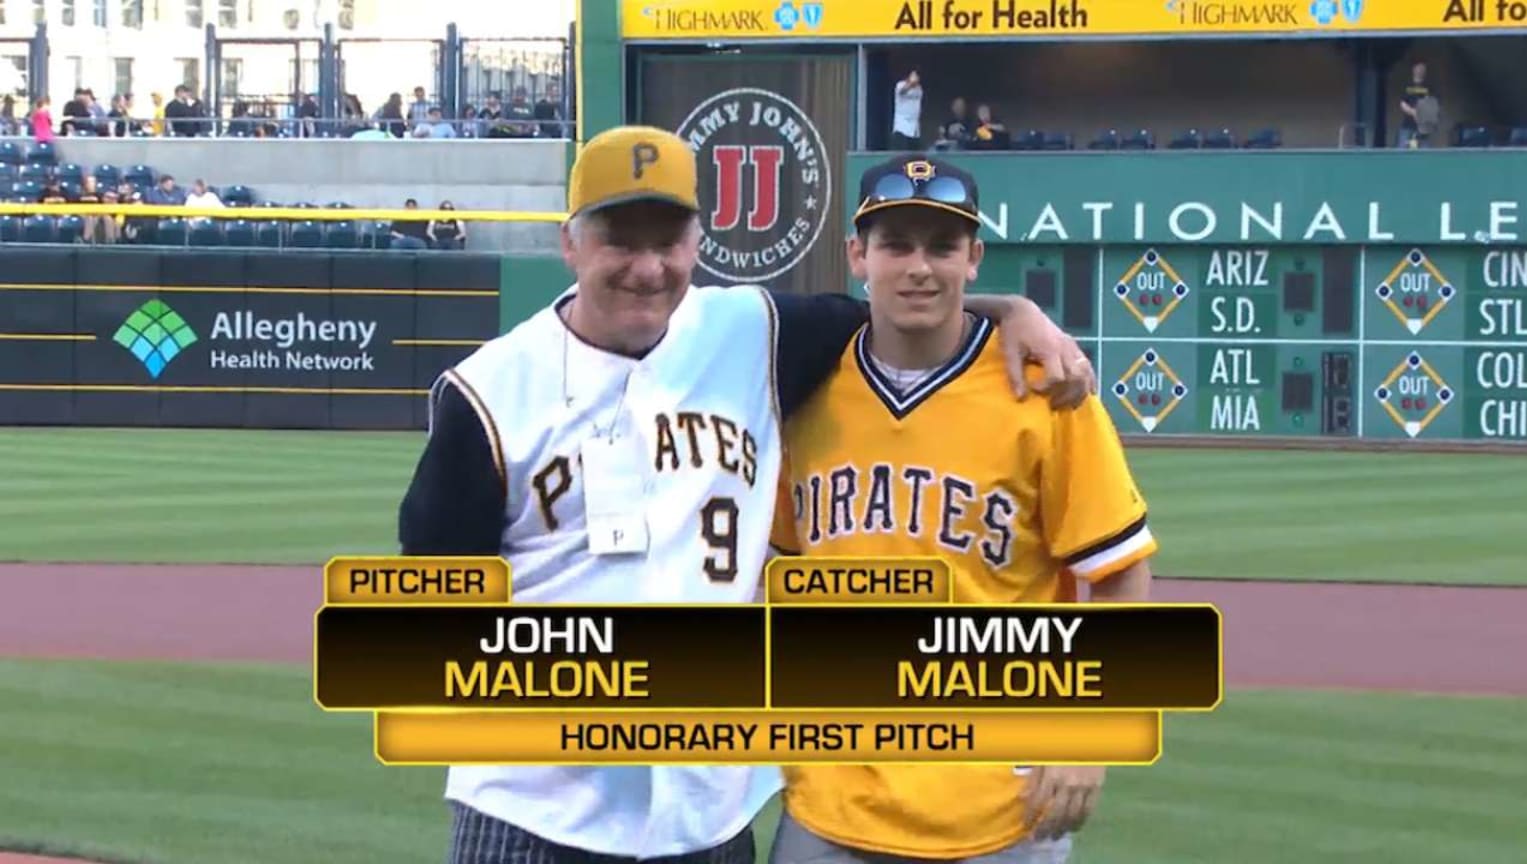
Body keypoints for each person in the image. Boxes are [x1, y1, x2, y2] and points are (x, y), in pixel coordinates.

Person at [395, 126, 1097, 864]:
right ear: (571, 244)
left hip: (706, 817)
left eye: (668, 241)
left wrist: (1013, 309)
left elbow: (909, 308)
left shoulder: (754, 331)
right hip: (533, 810)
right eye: (619, 241)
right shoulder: (487, 394)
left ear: (698, 243)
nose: (647, 266)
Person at [767, 155, 1157, 864]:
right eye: (895, 245)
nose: (920, 266)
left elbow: (1121, 572)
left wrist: (1091, 734)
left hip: (1000, 808)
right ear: (858, 255)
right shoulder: (802, 385)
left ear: (973, 258)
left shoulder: (1049, 393)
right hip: (830, 801)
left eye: (942, 246)